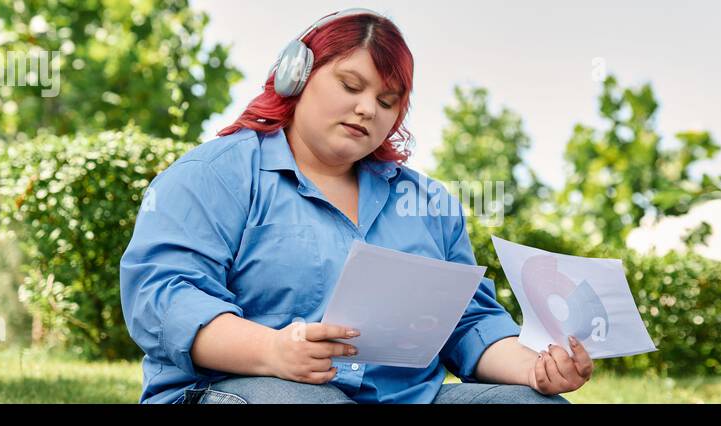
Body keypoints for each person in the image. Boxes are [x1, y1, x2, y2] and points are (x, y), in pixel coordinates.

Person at [119, 9, 593, 404]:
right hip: (237, 390)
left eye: (387, 101)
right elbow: (164, 299)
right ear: (295, 76)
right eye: (350, 86)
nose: (368, 109)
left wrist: (536, 369)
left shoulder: (428, 203)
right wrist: (273, 351)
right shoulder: (215, 174)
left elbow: (468, 323)